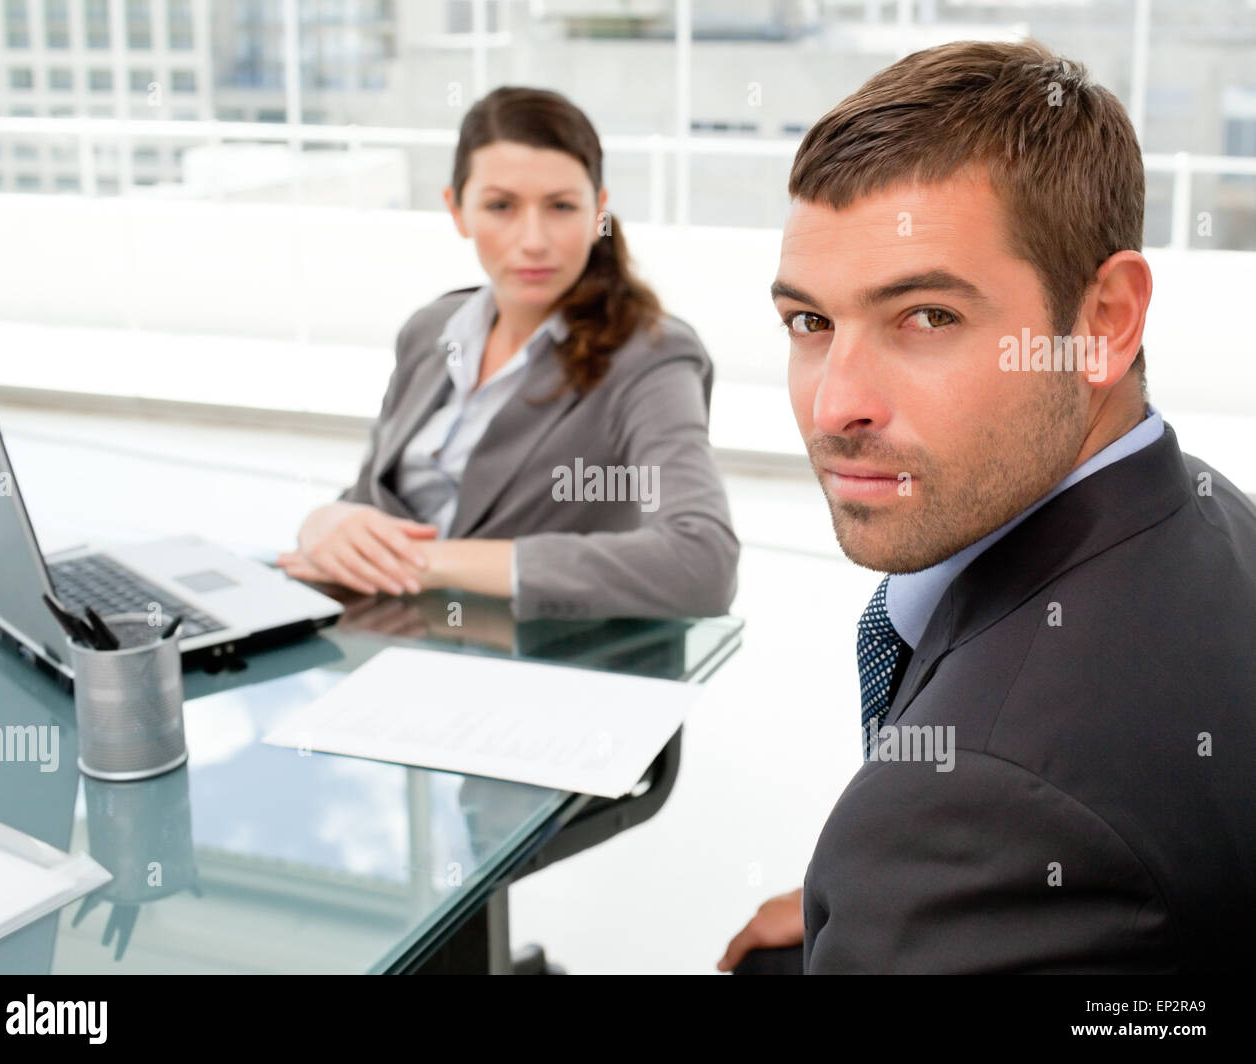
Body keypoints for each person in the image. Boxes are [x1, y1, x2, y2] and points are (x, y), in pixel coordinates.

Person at [720, 39, 1256, 973]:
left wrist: (892, 897)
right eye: (811, 322)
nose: (832, 403)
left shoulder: (980, 807)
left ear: (1105, 322)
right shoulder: (1212, 513)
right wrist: (859, 909)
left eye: (927, 316)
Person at [279, 87, 738, 622]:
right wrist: (324, 520)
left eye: (562, 207)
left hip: (541, 665)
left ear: (598, 213)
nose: (534, 240)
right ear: (457, 210)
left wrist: (432, 563)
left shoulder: (651, 356)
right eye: (501, 206)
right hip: (383, 633)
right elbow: (374, 498)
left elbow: (702, 563)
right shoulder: (431, 330)